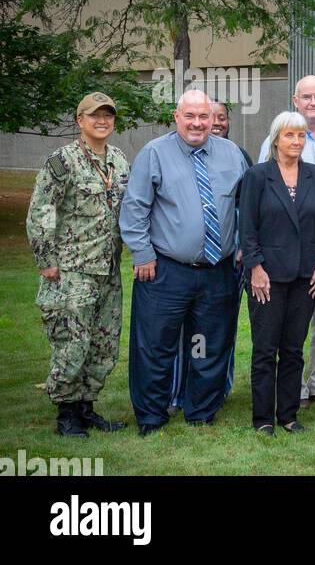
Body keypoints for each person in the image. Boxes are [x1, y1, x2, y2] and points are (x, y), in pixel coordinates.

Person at [120, 90, 247, 436]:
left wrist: (243, 245)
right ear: (176, 117)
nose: (197, 123)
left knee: (207, 344)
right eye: (189, 116)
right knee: (156, 346)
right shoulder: (155, 153)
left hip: (216, 272)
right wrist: (142, 254)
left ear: (213, 118)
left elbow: (246, 205)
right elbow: (134, 208)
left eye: (204, 116)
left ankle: (201, 411)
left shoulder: (231, 154)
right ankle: (151, 416)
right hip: (165, 270)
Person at [26, 92, 131, 437]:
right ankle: (66, 413)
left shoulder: (118, 160)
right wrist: (46, 260)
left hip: (107, 270)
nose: (102, 121)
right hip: (72, 270)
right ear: (80, 120)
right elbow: (42, 210)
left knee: (104, 345)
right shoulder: (63, 160)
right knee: (72, 343)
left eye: (108, 116)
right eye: (95, 115)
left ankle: (87, 408)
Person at [257, 75, 315, 410]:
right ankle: (292, 388)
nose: (312, 102)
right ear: (295, 99)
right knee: (288, 323)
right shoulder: (275, 138)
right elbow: (260, 199)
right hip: (281, 254)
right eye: (306, 97)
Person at [239, 112, 315, 435]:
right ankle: (263, 418)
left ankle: (289, 415)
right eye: (289, 135)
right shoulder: (257, 176)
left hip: (305, 276)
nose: (296, 141)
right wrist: (255, 267)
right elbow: (247, 228)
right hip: (267, 276)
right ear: (276, 139)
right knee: (266, 348)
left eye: (301, 135)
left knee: (293, 348)